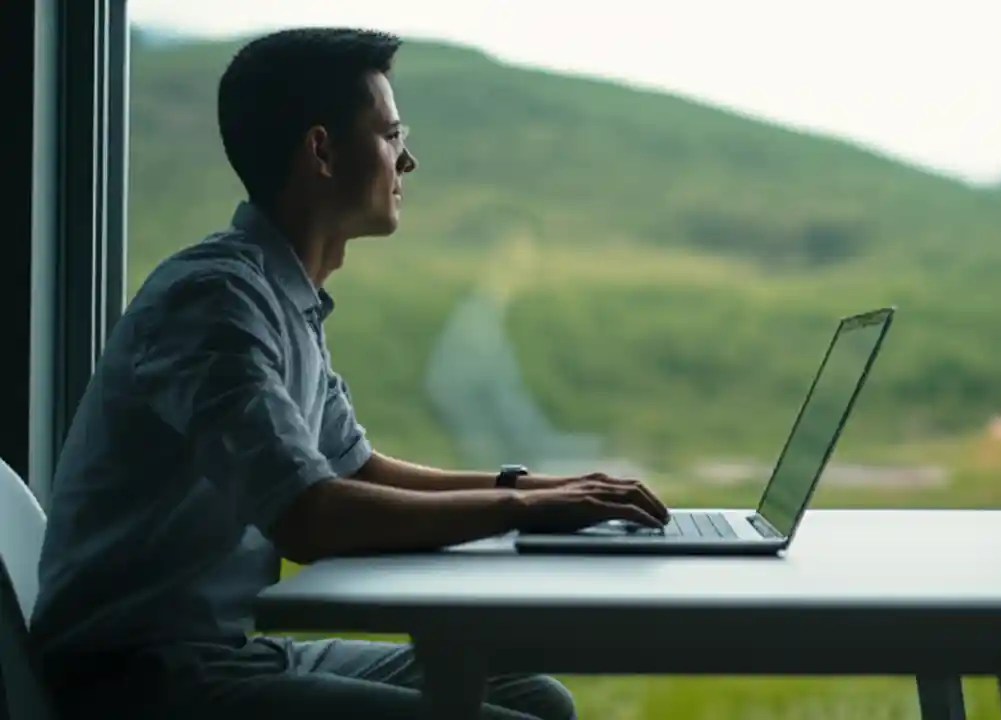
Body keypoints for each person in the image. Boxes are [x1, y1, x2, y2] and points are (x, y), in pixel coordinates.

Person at [30, 27, 669, 720]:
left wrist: (546, 489)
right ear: (322, 151)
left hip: (226, 652)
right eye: (392, 135)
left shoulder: (281, 296)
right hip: (139, 679)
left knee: (534, 698)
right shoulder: (213, 302)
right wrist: (523, 510)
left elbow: (352, 470)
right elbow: (308, 516)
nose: (409, 160)